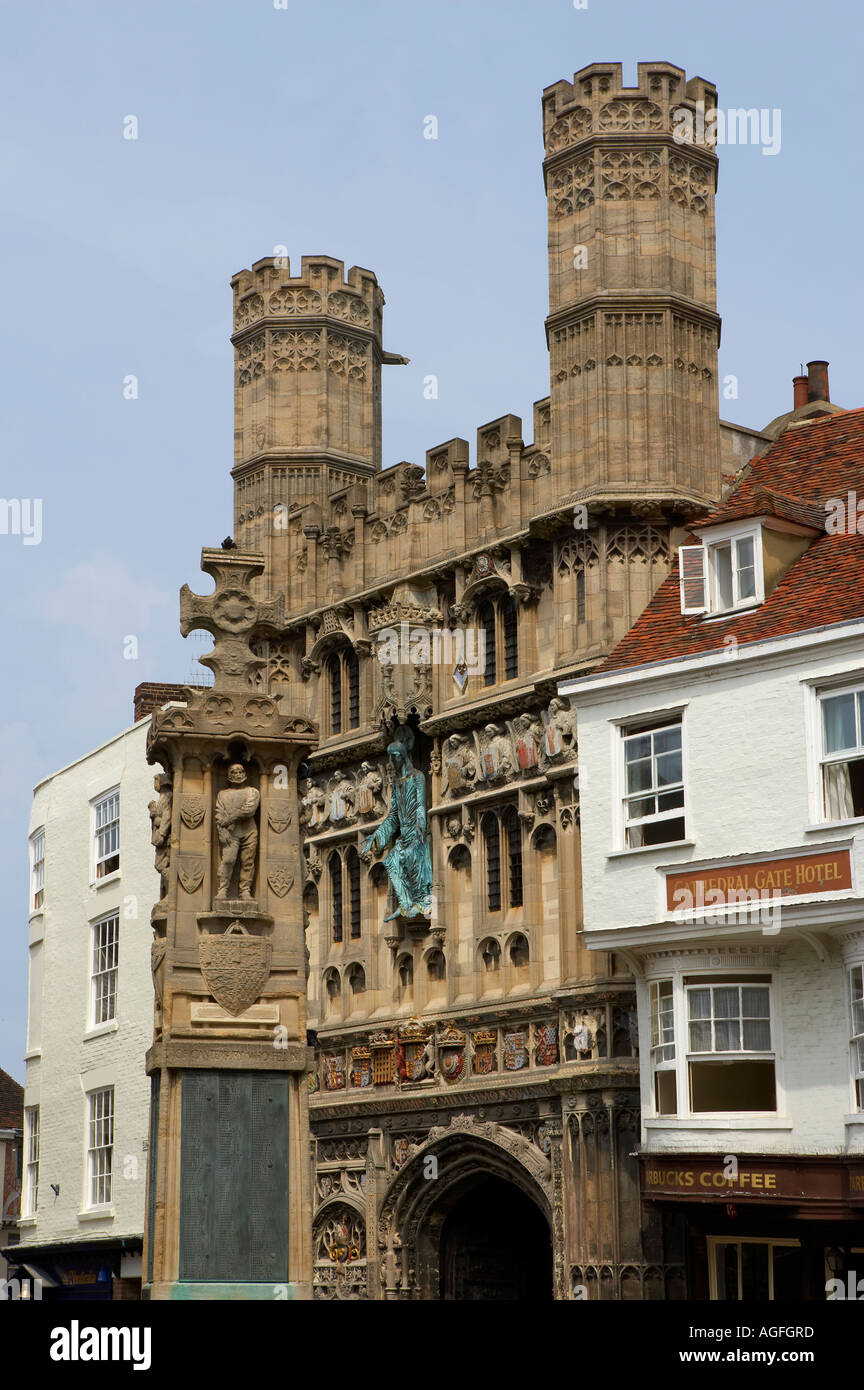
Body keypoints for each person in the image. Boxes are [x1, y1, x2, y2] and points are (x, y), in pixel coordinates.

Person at [361, 734, 433, 921]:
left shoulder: (417, 777)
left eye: (395, 756)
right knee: (391, 860)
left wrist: (419, 829)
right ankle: (406, 904)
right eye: (390, 757)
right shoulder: (396, 783)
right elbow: (393, 816)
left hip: (417, 832)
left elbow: (420, 806)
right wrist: (376, 836)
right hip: (405, 833)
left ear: (403, 755)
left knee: (412, 857)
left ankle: (424, 903)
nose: (392, 760)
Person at [215, 763, 260, 899]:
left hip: (249, 831)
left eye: (240, 771)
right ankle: (223, 889)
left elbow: (249, 810)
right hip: (230, 833)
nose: (237, 774)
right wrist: (221, 831)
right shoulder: (222, 794)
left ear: (245, 774)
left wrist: (230, 818)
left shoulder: (252, 791)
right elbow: (219, 813)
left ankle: (245, 890)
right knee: (228, 860)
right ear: (229, 775)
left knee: (248, 861)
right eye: (234, 772)